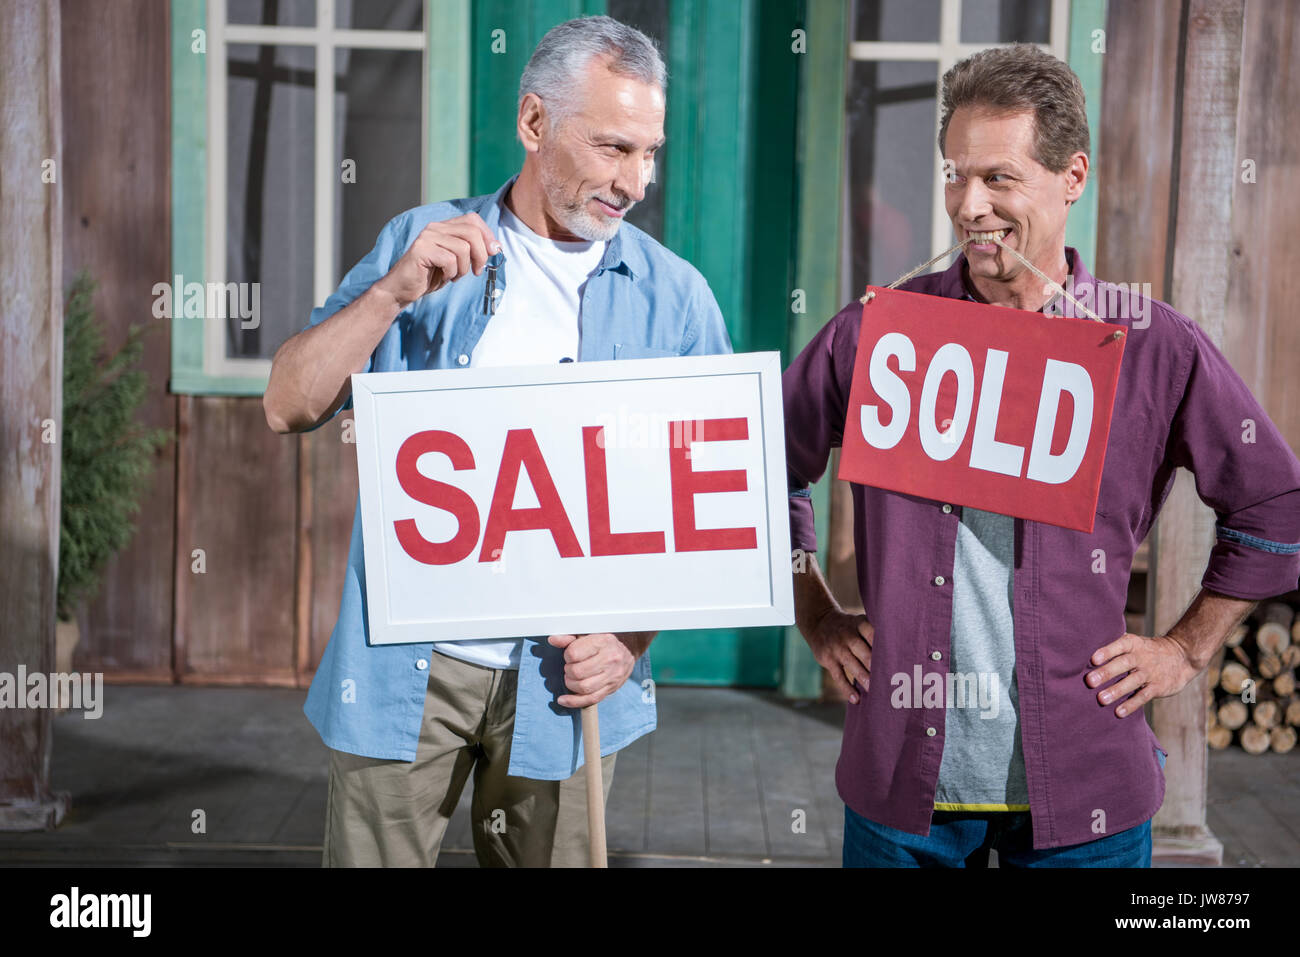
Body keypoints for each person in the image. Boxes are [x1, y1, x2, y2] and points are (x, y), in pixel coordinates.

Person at [783, 44, 1300, 868]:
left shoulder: (1150, 346)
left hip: (1086, 798)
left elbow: (1277, 501)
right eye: (956, 174)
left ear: (1073, 177)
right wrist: (813, 609)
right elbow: (763, 464)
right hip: (900, 793)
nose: (968, 205)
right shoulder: (881, 332)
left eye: (998, 178)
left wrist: (1186, 649)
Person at [263, 16, 731, 867]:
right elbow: (288, 404)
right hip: (408, 666)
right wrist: (390, 297)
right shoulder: (422, 244)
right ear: (533, 123)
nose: (636, 181)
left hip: (566, 683)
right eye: (613, 148)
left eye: (649, 152)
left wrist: (631, 640)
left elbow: (711, 511)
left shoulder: (680, 300)